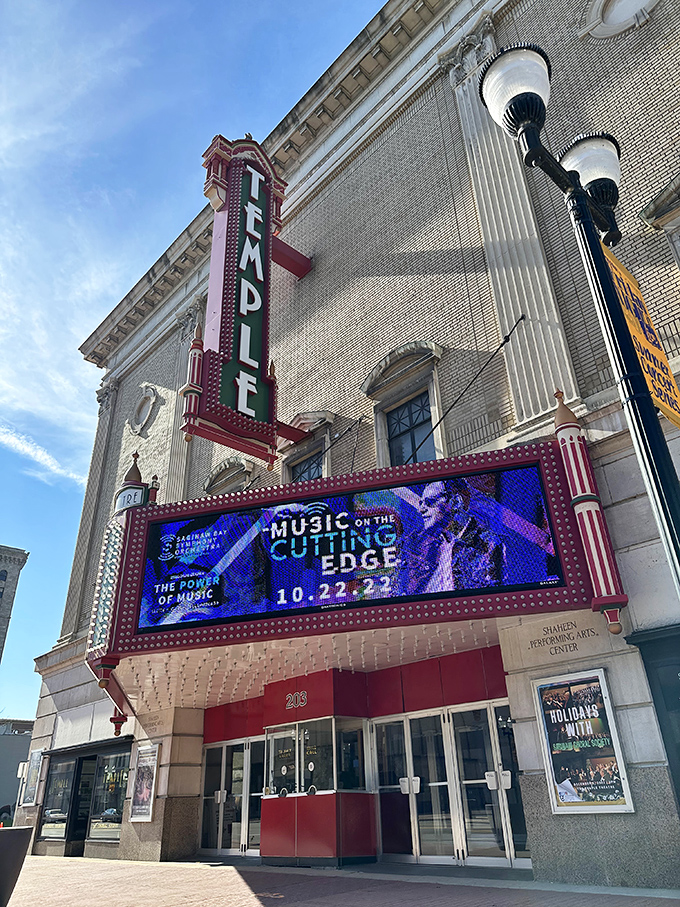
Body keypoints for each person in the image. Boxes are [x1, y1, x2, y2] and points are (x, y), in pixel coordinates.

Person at [400, 479, 504, 596]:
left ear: (456, 502)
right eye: (421, 503)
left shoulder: (487, 543)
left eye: (430, 502)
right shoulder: (422, 546)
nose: (421, 510)